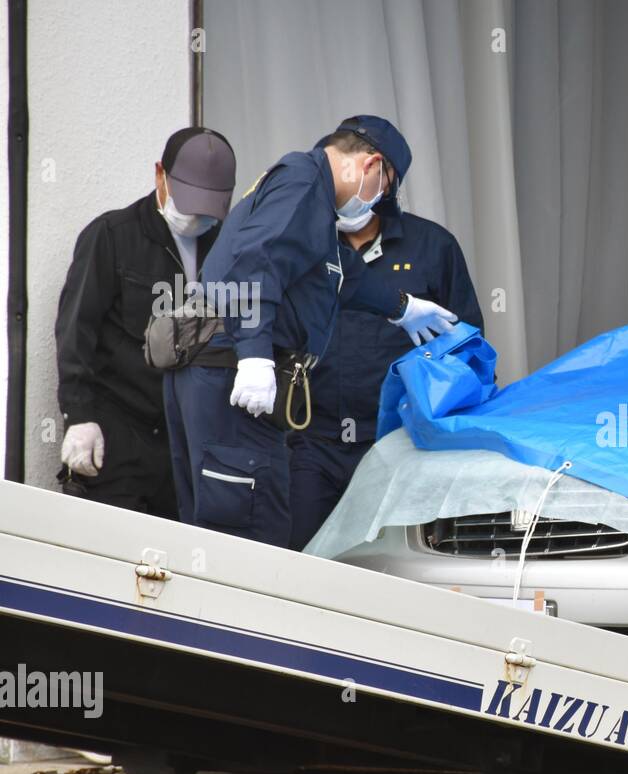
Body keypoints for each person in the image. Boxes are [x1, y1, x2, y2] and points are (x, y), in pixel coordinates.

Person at [163, 116, 457, 547]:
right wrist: (256, 355)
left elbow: (342, 275)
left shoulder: (314, 206)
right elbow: (254, 263)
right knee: (248, 531)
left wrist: (402, 307)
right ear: (371, 164)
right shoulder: (303, 183)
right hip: (232, 374)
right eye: (385, 188)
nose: (378, 203)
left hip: (220, 373)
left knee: (225, 521)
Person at [288, 181, 485, 551]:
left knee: (394, 572)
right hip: (314, 443)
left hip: (400, 446)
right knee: (300, 565)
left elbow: (466, 351)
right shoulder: (305, 249)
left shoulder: (433, 246)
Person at [54, 127, 236, 518]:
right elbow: (75, 330)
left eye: (208, 209)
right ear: (160, 175)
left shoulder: (225, 247)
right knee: (109, 558)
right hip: (118, 430)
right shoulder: (112, 236)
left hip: (187, 438)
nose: (196, 217)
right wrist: (79, 415)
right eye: (189, 203)